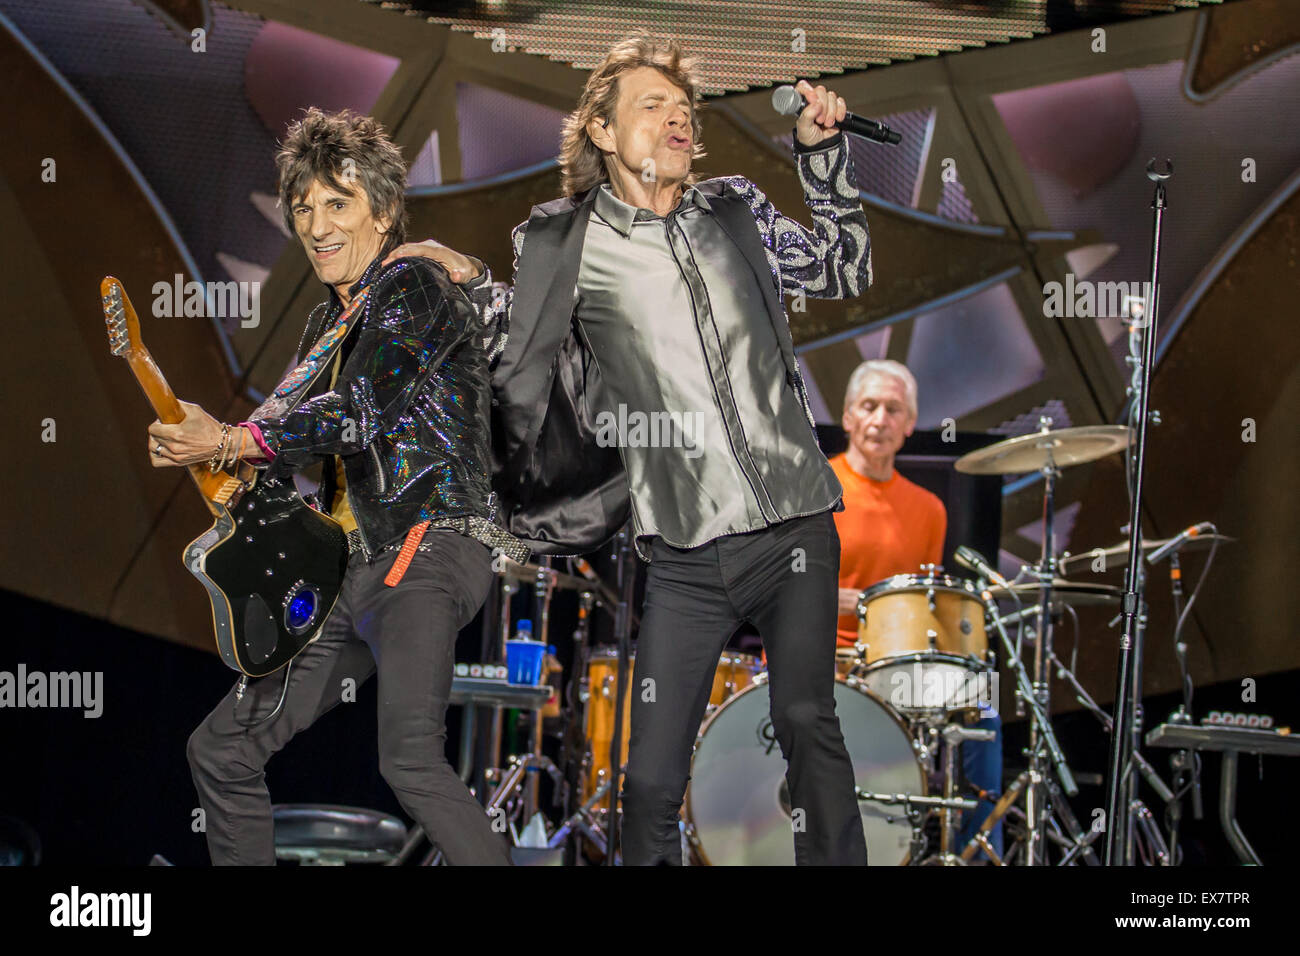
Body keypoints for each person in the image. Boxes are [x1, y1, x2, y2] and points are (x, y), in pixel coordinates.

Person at [391, 33, 872, 865]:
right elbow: (519, 335)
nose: (676, 116)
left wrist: (822, 160)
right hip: (685, 553)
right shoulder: (568, 245)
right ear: (603, 134)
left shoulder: (736, 211)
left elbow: (846, 269)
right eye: (652, 104)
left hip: (795, 523)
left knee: (804, 720)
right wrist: (462, 278)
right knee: (648, 783)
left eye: (683, 107)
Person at [148, 108, 519, 865]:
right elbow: (286, 438)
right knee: (222, 750)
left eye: (337, 203)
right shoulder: (327, 320)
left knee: (408, 759)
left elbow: (355, 412)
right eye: (304, 207)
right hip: (348, 566)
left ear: (382, 212)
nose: (316, 224)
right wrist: (217, 448)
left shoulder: (410, 283)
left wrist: (228, 439)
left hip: (428, 540)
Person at [829, 358, 1003, 860]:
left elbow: (924, 607)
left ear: (909, 426)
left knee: (983, 706)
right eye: (869, 407)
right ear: (847, 417)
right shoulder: (814, 488)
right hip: (824, 663)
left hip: (893, 671)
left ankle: (966, 853)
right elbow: (776, 587)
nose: (880, 419)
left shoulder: (929, 509)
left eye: (893, 410)